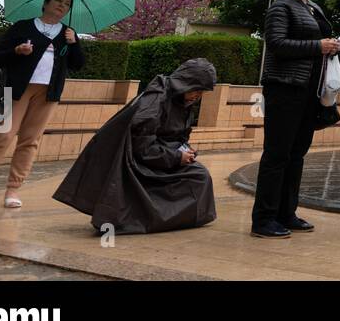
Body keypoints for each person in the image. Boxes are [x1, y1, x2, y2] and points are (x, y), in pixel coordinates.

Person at [53, 58, 218, 234]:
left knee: (200, 177)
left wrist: (185, 149)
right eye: (197, 90)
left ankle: (162, 218)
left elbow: (177, 135)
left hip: (161, 156)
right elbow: (143, 148)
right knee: (197, 177)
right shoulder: (155, 101)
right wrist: (177, 157)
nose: (198, 96)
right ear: (185, 84)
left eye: (202, 93)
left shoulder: (183, 101)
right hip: (137, 163)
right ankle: (146, 219)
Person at [0, 0, 84, 213]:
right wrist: (16, 51)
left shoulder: (68, 33)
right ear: (45, 3)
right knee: (1, 137)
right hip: (15, 90)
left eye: (67, 4)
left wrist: (74, 43)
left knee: (30, 141)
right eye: (58, 1)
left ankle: (13, 190)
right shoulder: (23, 27)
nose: (62, 6)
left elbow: (77, 64)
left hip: (48, 94)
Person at [250, 0, 340, 238]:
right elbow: (276, 44)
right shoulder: (281, 6)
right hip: (284, 90)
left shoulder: (311, 8)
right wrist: (318, 46)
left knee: (296, 155)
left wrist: (328, 48)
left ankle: (286, 213)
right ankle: (263, 220)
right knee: (277, 155)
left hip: (307, 92)